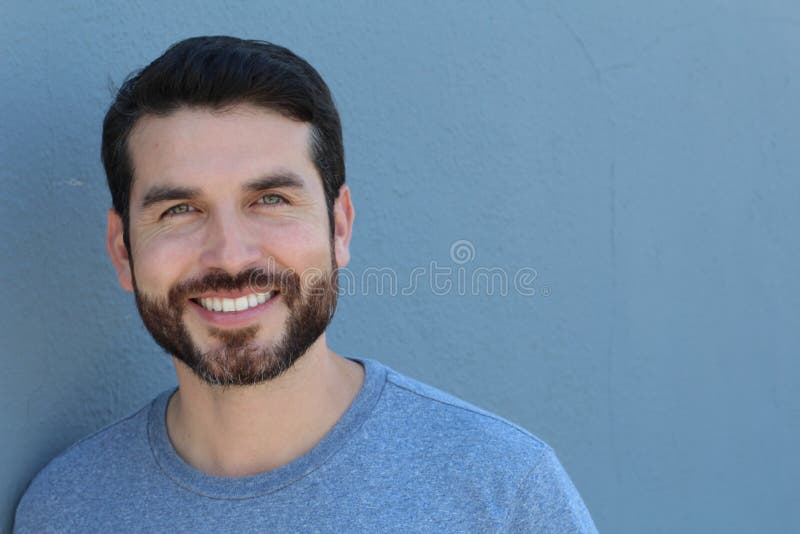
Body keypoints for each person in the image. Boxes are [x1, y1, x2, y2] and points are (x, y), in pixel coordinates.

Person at [14, 36, 597, 533]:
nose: (230, 256)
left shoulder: (500, 493)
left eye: (270, 200)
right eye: (180, 210)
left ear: (339, 226)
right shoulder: (66, 509)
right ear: (122, 251)